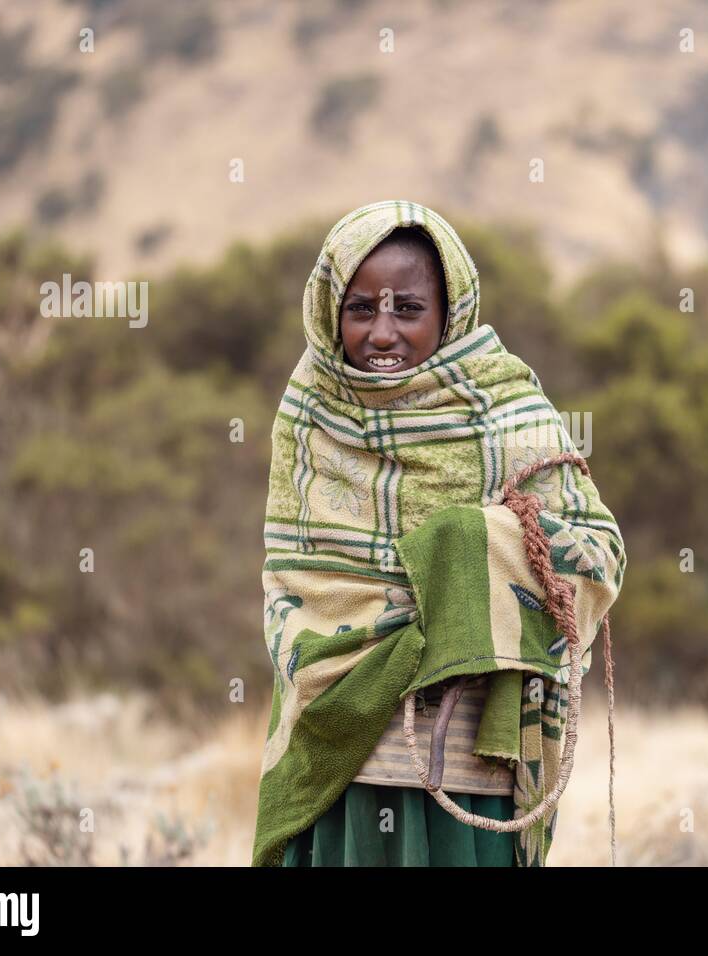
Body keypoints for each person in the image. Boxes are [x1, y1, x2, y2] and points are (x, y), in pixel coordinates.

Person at [251, 200, 626, 868]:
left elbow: (598, 555)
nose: (384, 332)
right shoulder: (309, 410)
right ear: (329, 312)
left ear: (449, 312)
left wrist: (473, 545)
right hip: (344, 753)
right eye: (361, 308)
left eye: (408, 308)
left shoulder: (504, 400)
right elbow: (296, 581)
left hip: (470, 761)